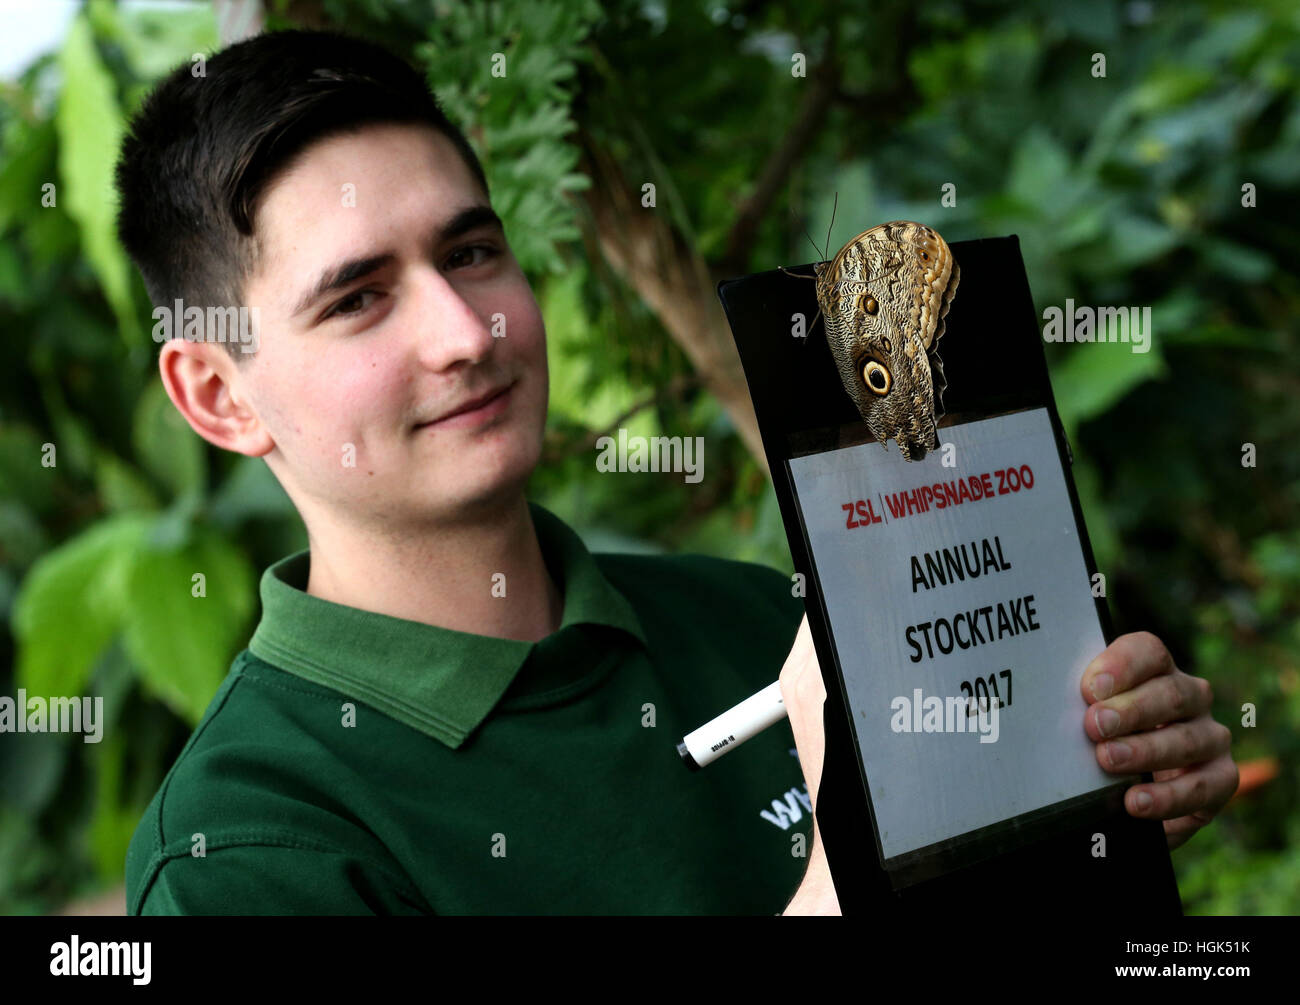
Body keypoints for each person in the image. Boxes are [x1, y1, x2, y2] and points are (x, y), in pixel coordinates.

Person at [115, 29, 1237, 916]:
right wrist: (840, 882)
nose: (464, 331)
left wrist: (1091, 792)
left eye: (470, 252)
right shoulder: (248, 844)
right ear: (219, 395)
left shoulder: (767, 623)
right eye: (358, 298)